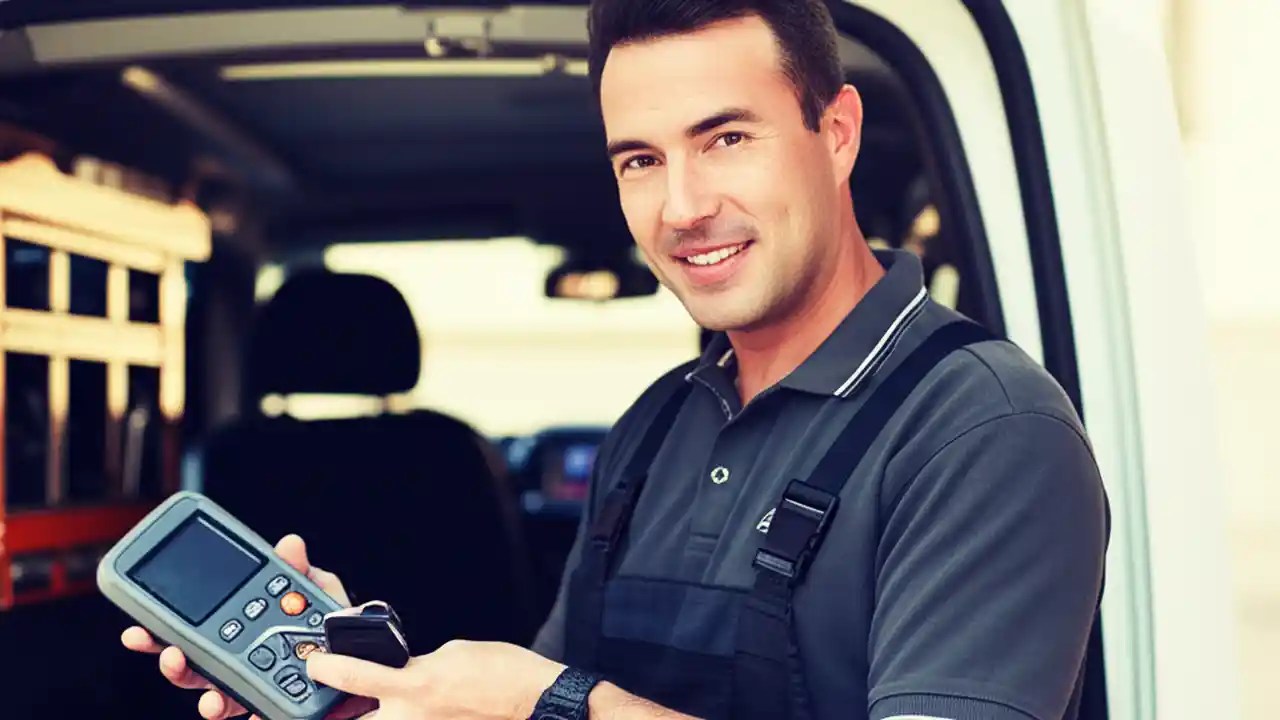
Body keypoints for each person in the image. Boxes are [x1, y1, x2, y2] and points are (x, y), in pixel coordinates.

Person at [122, 1, 1109, 718]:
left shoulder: (984, 431)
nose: (680, 206)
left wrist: (557, 705)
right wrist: (371, 691)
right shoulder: (655, 426)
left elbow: (555, 704)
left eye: (724, 138)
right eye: (639, 159)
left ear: (834, 132)